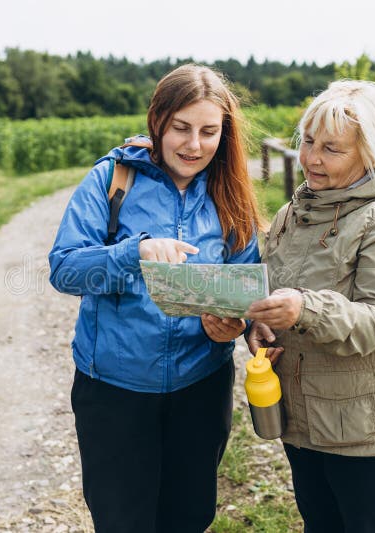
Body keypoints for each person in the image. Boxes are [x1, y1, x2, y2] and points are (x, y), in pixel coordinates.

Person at [49, 64, 264, 533]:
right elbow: (64, 269)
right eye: (181, 128)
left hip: (200, 388)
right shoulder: (113, 179)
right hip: (114, 390)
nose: (194, 145)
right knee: (122, 520)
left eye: (209, 132)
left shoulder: (232, 194)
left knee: (188, 517)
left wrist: (231, 323)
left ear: (224, 134)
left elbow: (243, 286)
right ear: (158, 122)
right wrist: (134, 251)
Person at [245, 80, 375, 533]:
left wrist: (304, 310)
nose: (311, 158)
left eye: (332, 149)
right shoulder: (295, 212)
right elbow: (277, 292)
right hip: (304, 419)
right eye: (308, 142)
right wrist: (260, 326)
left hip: (367, 428)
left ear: (370, 155)